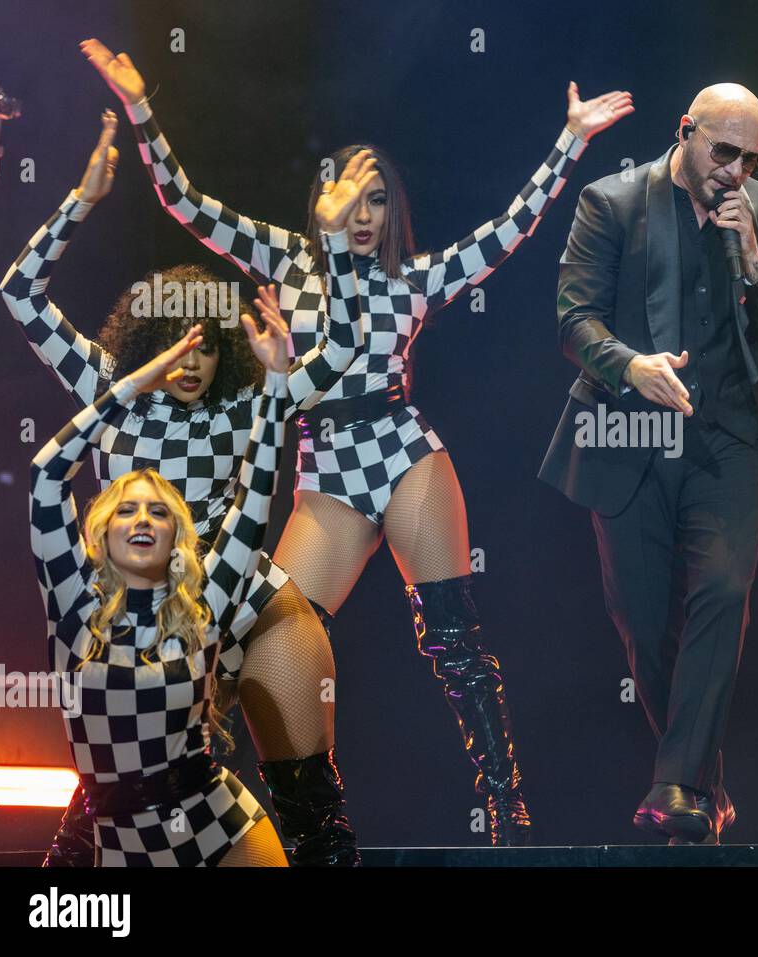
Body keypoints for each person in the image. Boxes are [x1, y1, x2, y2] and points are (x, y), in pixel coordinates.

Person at [81, 37, 633, 844]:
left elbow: (511, 228)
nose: (366, 214)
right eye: (353, 196)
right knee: (257, 634)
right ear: (323, 197)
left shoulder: (415, 278)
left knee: (451, 635)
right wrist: (140, 109)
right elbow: (183, 201)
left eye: (380, 199)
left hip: (403, 450)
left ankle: (507, 814)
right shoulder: (282, 256)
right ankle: (183, 799)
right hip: (324, 471)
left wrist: (569, 141)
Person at [0, 109, 371, 865]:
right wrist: (82, 200)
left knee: (311, 812)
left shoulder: (249, 398)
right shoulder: (111, 385)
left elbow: (346, 349)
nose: (193, 359)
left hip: (237, 598)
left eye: (211, 342)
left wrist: (336, 248)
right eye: (177, 340)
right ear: (143, 340)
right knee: (115, 796)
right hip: (142, 617)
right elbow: (20, 294)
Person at [539, 82, 758, 844]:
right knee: (642, 617)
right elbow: (572, 319)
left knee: (724, 590)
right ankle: (702, 781)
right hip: (628, 436)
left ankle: (677, 784)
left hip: (727, 439)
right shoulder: (613, 201)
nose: (736, 171)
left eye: (751, 158)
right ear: (685, 130)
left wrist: (756, 261)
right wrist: (629, 365)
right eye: (723, 151)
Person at [29, 305, 292, 866]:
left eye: (159, 512)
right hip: (129, 851)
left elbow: (253, 502)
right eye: (127, 510)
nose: (144, 519)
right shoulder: (73, 606)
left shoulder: (204, 606)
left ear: (178, 537)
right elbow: (46, 475)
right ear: (99, 533)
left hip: (226, 831)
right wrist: (134, 385)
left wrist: (275, 384)